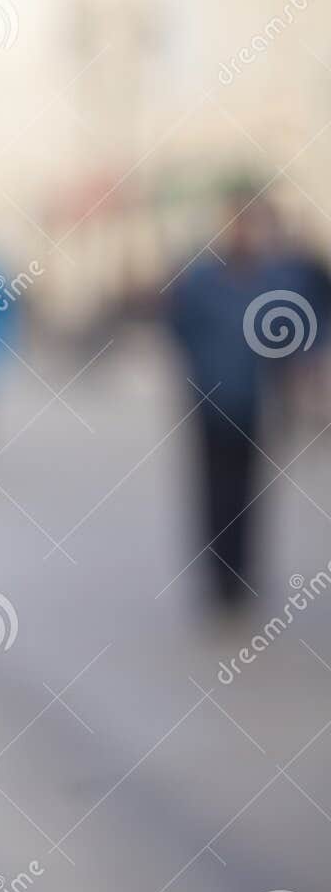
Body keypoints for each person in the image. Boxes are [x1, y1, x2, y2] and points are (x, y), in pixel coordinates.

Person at [166, 191, 287, 614]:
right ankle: (218, 577)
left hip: (251, 402)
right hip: (209, 403)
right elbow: (179, 329)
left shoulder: (267, 279)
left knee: (248, 494)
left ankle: (241, 575)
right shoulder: (201, 279)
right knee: (213, 491)